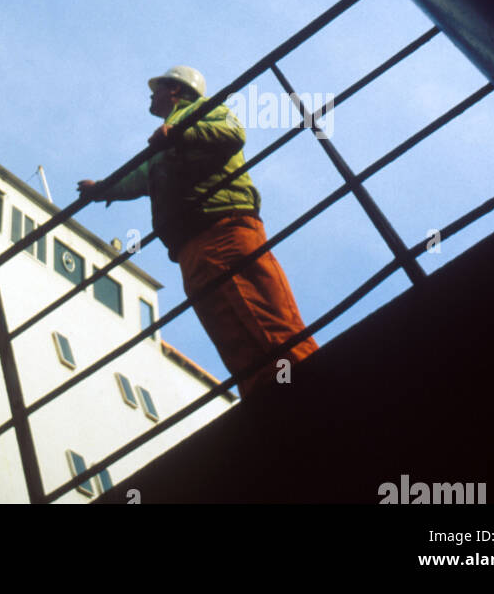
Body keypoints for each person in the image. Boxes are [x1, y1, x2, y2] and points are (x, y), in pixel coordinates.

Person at [77, 65, 317, 397]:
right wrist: (103, 189)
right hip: (191, 249)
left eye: (157, 87)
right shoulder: (163, 139)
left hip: (226, 229)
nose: (151, 94)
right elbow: (141, 177)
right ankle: (269, 399)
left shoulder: (202, 111)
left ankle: (314, 385)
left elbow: (232, 135)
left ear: (175, 90)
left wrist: (179, 134)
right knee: (232, 336)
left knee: (269, 322)